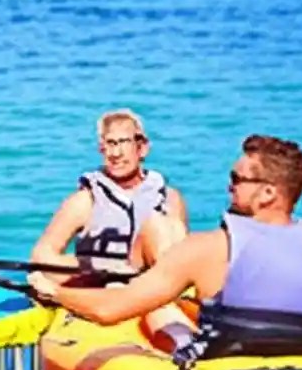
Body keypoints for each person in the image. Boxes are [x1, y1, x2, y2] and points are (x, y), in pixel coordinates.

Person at [30, 134, 302, 363]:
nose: (229, 186)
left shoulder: (206, 249)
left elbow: (108, 310)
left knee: (158, 308)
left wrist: (54, 293)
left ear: (267, 193)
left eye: (237, 179)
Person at [30, 108, 191, 347]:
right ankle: (176, 330)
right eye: (109, 144)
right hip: (109, 289)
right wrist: (94, 268)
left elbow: (183, 255)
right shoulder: (85, 201)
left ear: (142, 148)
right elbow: (41, 257)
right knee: (159, 228)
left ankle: (181, 327)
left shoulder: (169, 198)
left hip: (154, 285)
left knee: (165, 227)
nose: (115, 153)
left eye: (123, 143)